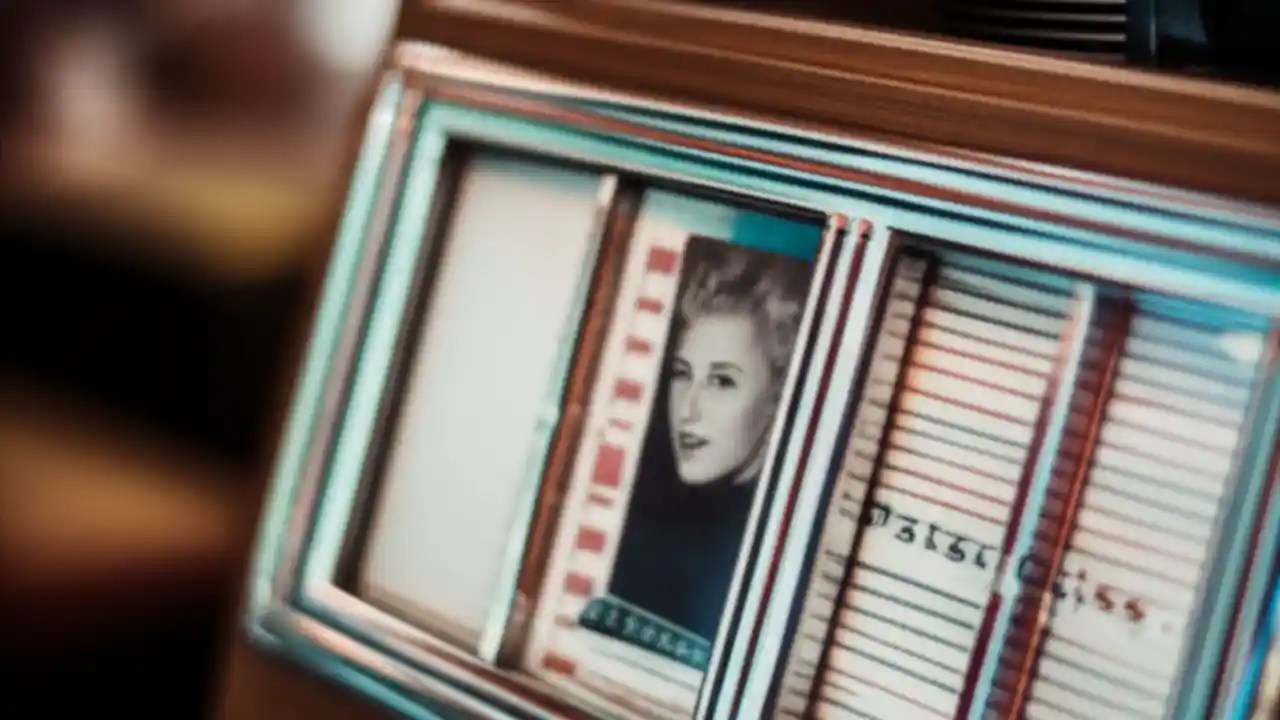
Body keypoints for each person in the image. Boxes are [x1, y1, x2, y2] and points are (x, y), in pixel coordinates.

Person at [607, 236, 811, 644]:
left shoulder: (774, 545)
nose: (688, 408)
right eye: (682, 374)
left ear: (777, 397)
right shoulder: (658, 527)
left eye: (722, 381)